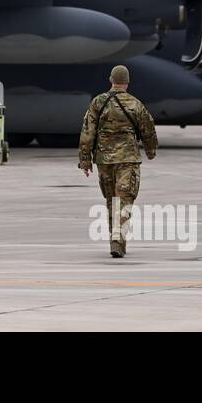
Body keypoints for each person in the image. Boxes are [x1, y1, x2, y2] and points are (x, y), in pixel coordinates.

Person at [78, 65, 157, 258]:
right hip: (128, 159)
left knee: (111, 200)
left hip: (104, 160)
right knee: (124, 200)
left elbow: (87, 132)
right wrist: (150, 150)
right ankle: (118, 242)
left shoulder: (98, 102)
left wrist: (85, 160)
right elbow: (148, 130)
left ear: (111, 80)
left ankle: (115, 240)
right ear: (127, 82)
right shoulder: (135, 104)